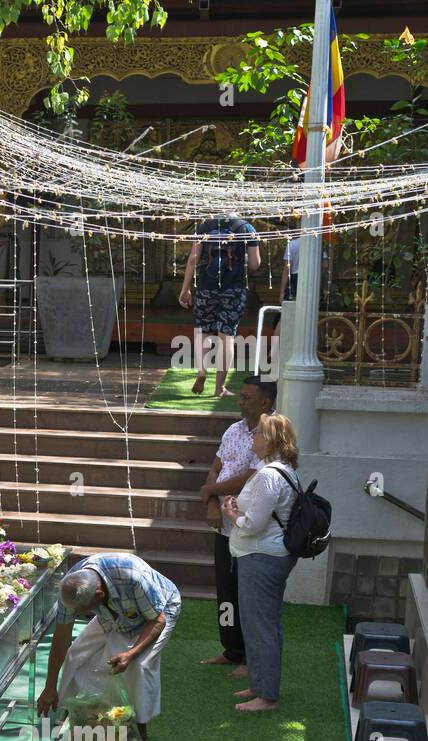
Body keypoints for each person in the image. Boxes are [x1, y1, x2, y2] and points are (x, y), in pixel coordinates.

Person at [36, 554, 182, 741]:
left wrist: (131, 653)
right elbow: (62, 637)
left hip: (160, 609)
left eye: (83, 610)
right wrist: (50, 686)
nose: (80, 614)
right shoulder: (70, 588)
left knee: (139, 665)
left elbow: (157, 620)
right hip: (112, 611)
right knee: (76, 655)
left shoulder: (133, 577)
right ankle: (75, 715)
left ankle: (139, 732)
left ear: (100, 595)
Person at [221, 413, 301, 713]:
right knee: (263, 624)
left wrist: (232, 514)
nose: (252, 437)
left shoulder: (269, 475)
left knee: (261, 627)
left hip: (261, 557)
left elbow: (254, 525)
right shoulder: (284, 471)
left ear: (270, 440)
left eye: (257, 434)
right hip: (266, 556)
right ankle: (260, 686)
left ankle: (267, 696)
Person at [197, 375, 276, 678]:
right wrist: (210, 503)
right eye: (240, 396)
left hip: (249, 527)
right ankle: (231, 649)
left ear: (265, 402)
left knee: (249, 595)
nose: (240, 402)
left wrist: (210, 491)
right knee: (226, 591)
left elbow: (250, 478)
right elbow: (216, 467)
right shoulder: (233, 430)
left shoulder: (270, 433)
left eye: (246, 398)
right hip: (223, 525)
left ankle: (250, 657)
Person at [178, 213, 262, 396]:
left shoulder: (204, 226)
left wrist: (185, 289)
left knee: (204, 331)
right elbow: (255, 264)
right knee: (227, 335)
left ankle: (202, 370)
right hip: (233, 289)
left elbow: (193, 259)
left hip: (206, 288)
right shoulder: (247, 228)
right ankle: (219, 388)